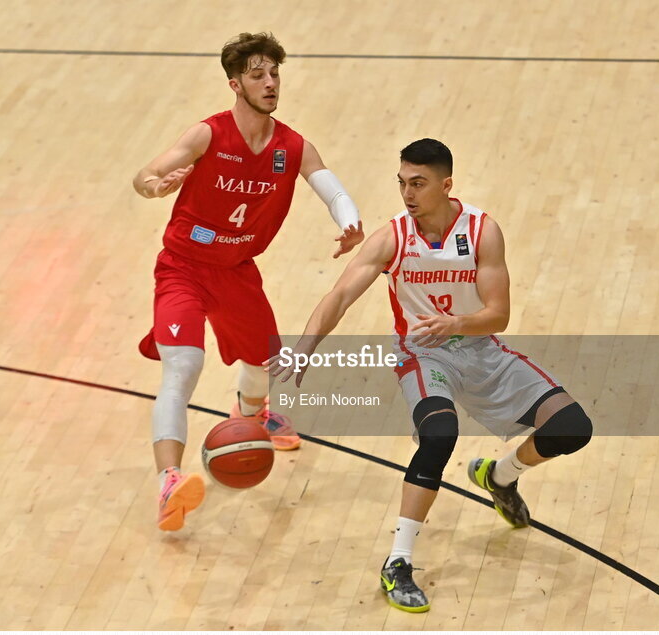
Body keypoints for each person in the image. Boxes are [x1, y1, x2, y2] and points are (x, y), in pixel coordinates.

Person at [267, 139, 592, 612]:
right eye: (402, 183)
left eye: (418, 184)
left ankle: (500, 476)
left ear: (446, 185)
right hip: (422, 355)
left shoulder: (482, 231)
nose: (407, 193)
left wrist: (457, 324)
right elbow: (339, 296)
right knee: (439, 435)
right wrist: (305, 348)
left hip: (479, 346)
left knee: (573, 428)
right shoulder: (392, 238)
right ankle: (398, 562)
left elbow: (499, 314)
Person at [134, 32, 364, 532]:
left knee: (264, 364)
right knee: (183, 367)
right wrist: (155, 187)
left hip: (236, 271)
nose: (270, 82)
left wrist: (350, 222)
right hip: (183, 268)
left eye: (274, 73)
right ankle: (169, 481)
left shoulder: (292, 146)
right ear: (235, 84)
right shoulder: (208, 134)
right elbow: (145, 174)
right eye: (258, 75)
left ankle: (253, 413)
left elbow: (330, 187)